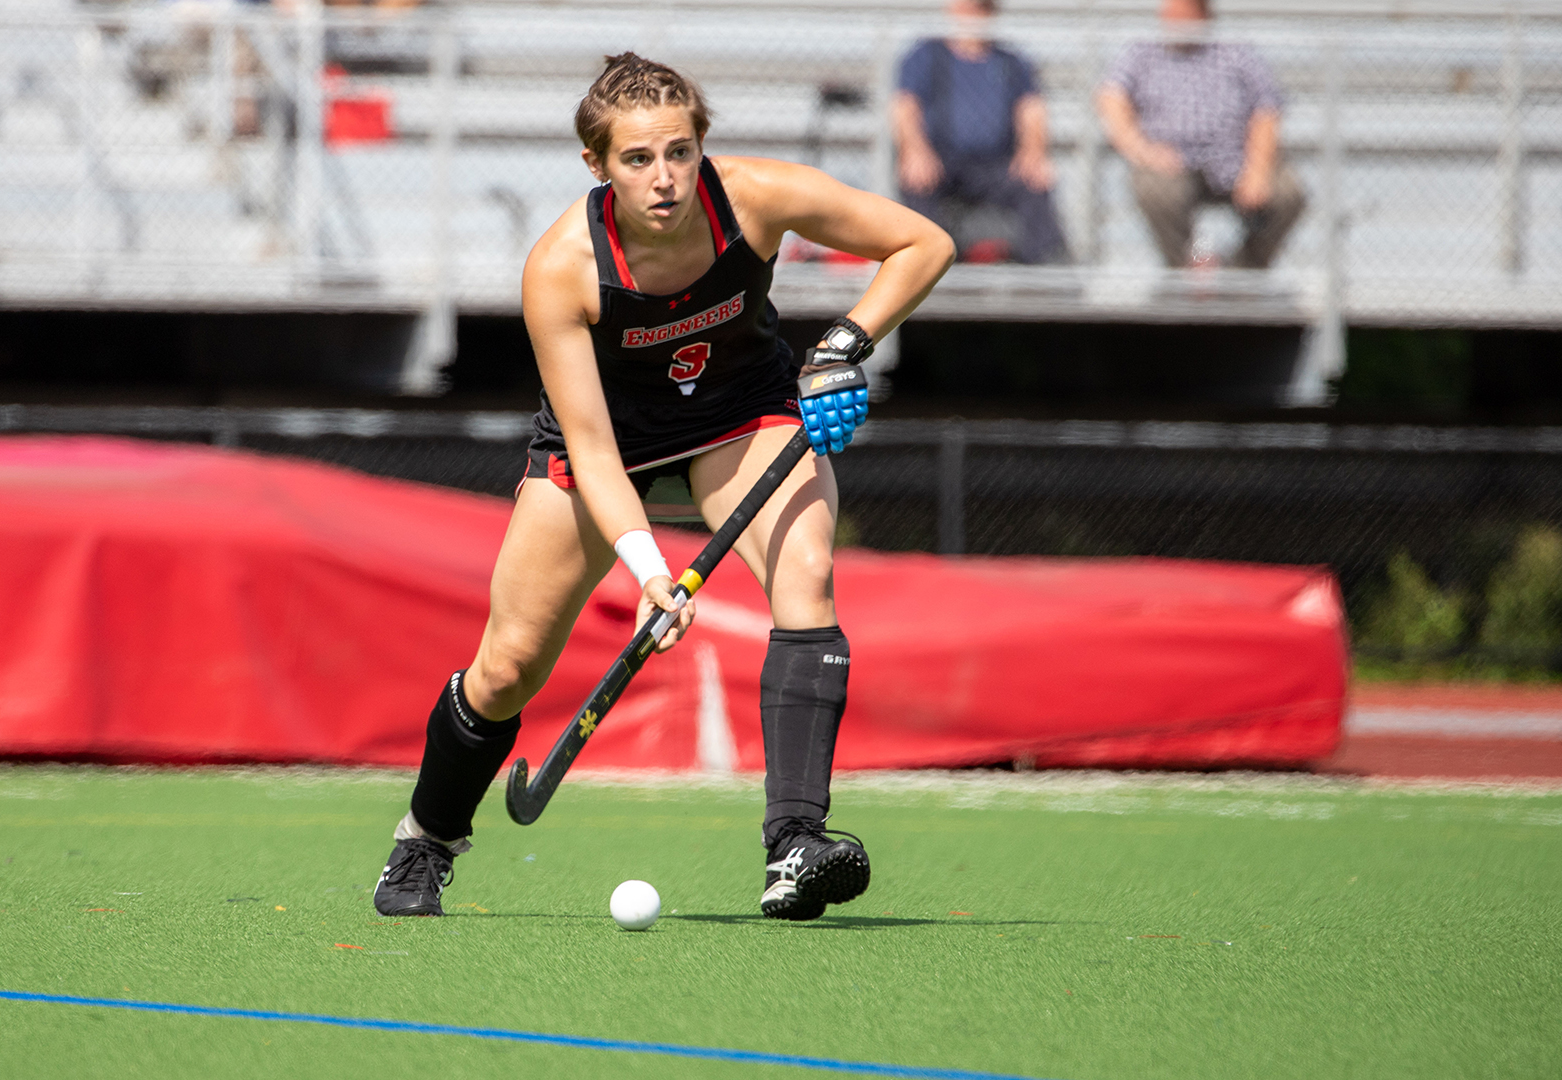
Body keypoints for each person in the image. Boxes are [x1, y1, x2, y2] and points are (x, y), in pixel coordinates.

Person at [372, 53, 953, 922]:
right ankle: (426, 838)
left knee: (808, 575)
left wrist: (841, 346)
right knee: (507, 668)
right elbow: (595, 450)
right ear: (597, 165)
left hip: (741, 415)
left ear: (702, 147)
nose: (665, 178)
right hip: (605, 442)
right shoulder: (562, 267)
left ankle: (796, 844)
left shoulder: (755, 197)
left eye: (679, 152)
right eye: (638, 159)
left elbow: (923, 243)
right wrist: (649, 573)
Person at [1096, 0, 1306, 269]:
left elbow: (1267, 109)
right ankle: (1189, 272)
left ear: (1204, 14)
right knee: (1155, 190)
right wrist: (1142, 149)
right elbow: (1111, 96)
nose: (1173, 19)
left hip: (1236, 161)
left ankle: (1239, 276)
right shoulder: (1142, 52)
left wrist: (1258, 170)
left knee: (1288, 193)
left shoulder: (1236, 52)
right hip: (1172, 162)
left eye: (1182, 11)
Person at [891, 0, 1068, 265]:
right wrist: (915, 151)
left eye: (982, 8)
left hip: (995, 166)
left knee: (1034, 183)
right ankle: (927, 268)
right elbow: (905, 107)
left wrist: (1034, 152)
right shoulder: (925, 55)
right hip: (940, 163)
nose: (973, 15)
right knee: (917, 182)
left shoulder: (1012, 62)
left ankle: (1045, 273)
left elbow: (1031, 110)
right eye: (968, 7)